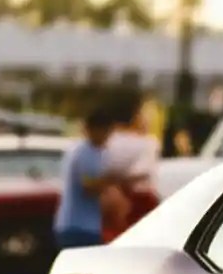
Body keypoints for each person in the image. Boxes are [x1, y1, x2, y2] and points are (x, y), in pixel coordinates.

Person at [53, 111, 121, 249]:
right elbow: (88, 188)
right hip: (77, 227)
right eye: (106, 131)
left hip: (89, 226)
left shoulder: (98, 152)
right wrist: (111, 180)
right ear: (95, 129)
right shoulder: (83, 153)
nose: (108, 136)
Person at [102, 94, 161, 242]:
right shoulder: (149, 143)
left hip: (109, 200)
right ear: (135, 116)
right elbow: (143, 172)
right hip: (140, 201)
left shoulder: (106, 141)